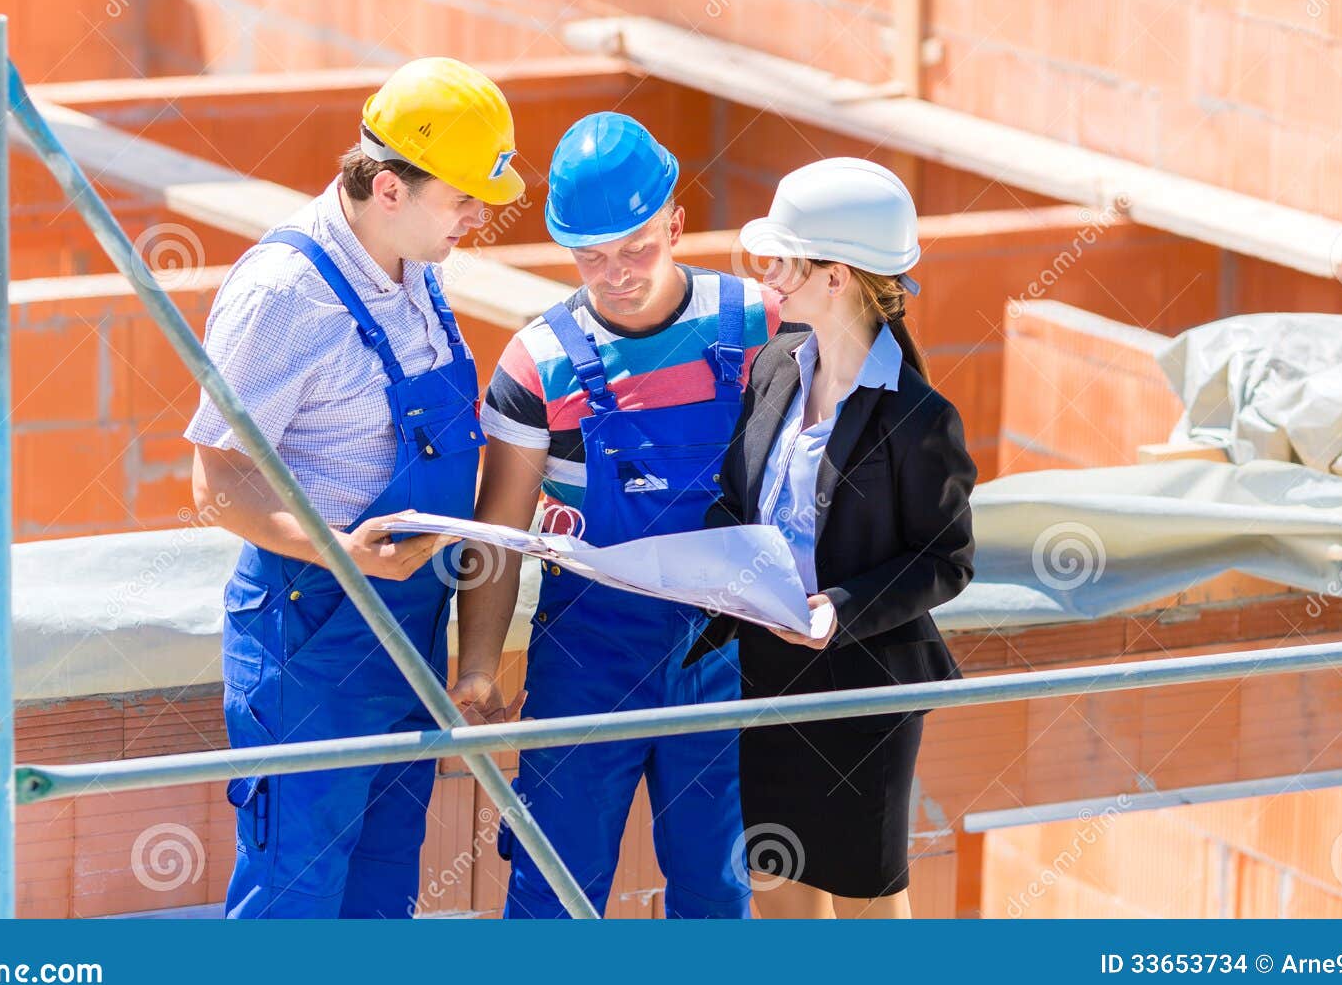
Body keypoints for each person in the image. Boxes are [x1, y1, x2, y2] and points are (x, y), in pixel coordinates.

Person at [184, 57, 526, 919]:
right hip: (313, 641)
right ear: (387, 188)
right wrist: (338, 548)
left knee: (381, 897)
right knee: (293, 906)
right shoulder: (282, 296)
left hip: (406, 636)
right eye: (461, 199)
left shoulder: (416, 260)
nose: (477, 218)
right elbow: (215, 483)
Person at [449, 111, 781, 918]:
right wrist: (479, 669)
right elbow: (500, 533)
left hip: (727, 655)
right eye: (592, 257)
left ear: (675, 221)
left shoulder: (759, 323)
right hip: (589, 661)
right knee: (552, 897)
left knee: (718, 891)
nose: (618, 274)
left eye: (637, 248)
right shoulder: (540, 362)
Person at [684, 156, 977, 919]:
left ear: (837, 276)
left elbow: (945, 560)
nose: (769, 275)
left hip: (865, 691)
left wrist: (840, 608)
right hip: (765, 671)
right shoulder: (777, 365)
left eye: (784, 260)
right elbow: (735, 499)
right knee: (778, 883)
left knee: (864, 894)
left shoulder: (919, 418)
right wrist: (706, 566)